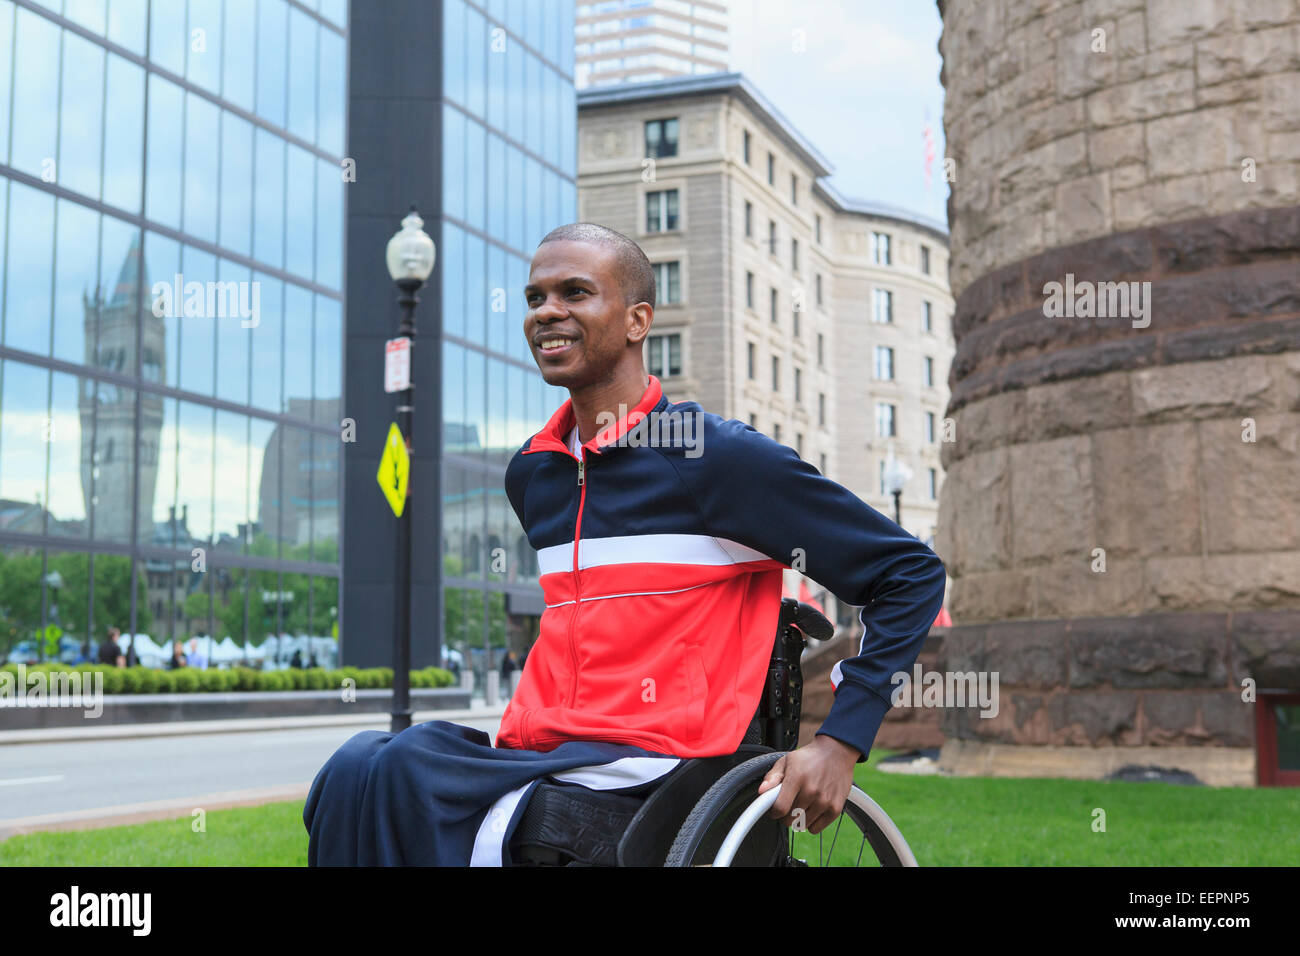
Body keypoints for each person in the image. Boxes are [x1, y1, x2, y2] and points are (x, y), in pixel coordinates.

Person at [303, 223, 946, 866]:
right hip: (545, 750)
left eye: (575, 292)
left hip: (665, 761)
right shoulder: (533, 476)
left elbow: (909, 574)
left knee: (410, 773)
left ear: (639, 320)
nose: (548, 312)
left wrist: (840, 742)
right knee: (362, 763)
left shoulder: (717, 460)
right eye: (535, 299)